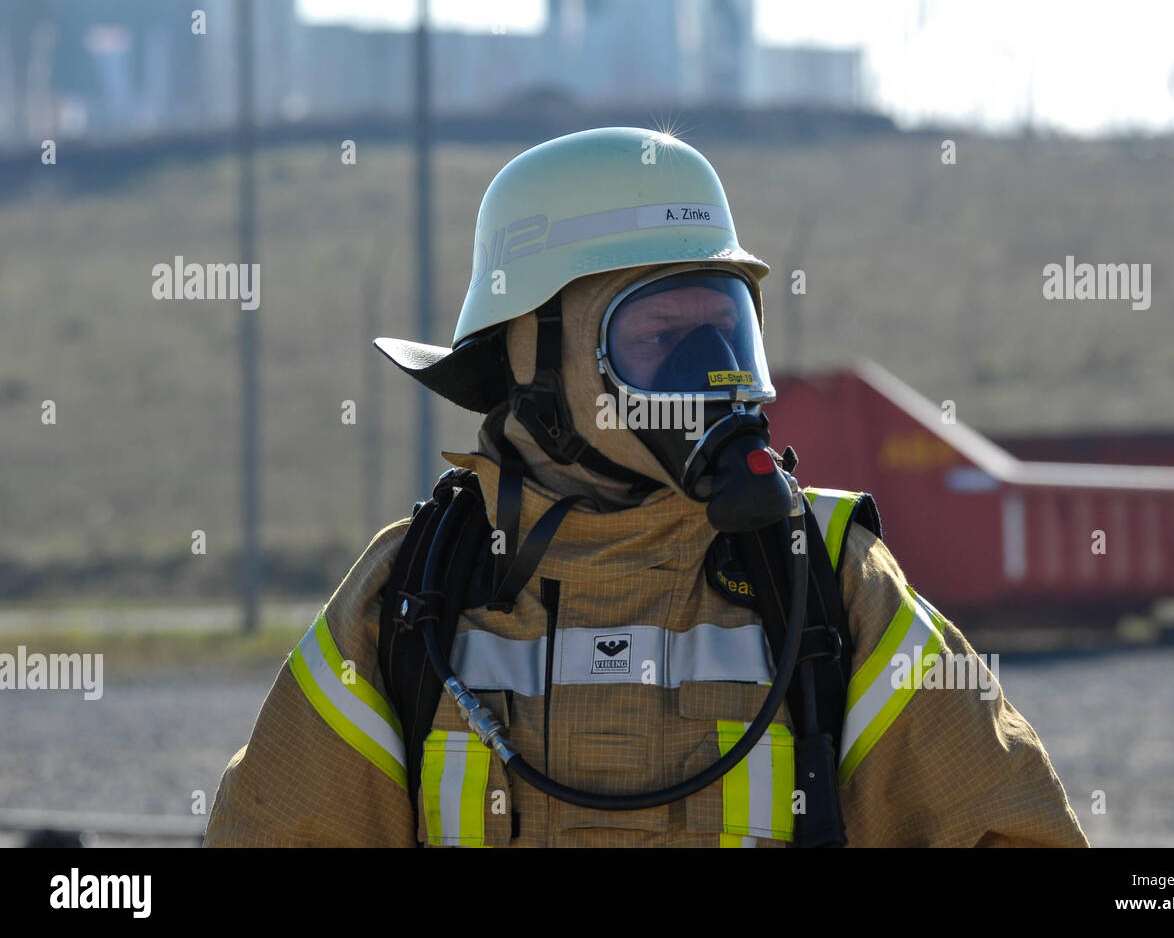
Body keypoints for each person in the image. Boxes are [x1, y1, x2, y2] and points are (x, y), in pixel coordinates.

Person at [205, 127, 1089, 848]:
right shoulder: (412, 596)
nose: (711, 377)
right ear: (533, 356)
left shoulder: (828, 585)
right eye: (662, 337)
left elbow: (1006, 832)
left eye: (726, 336)